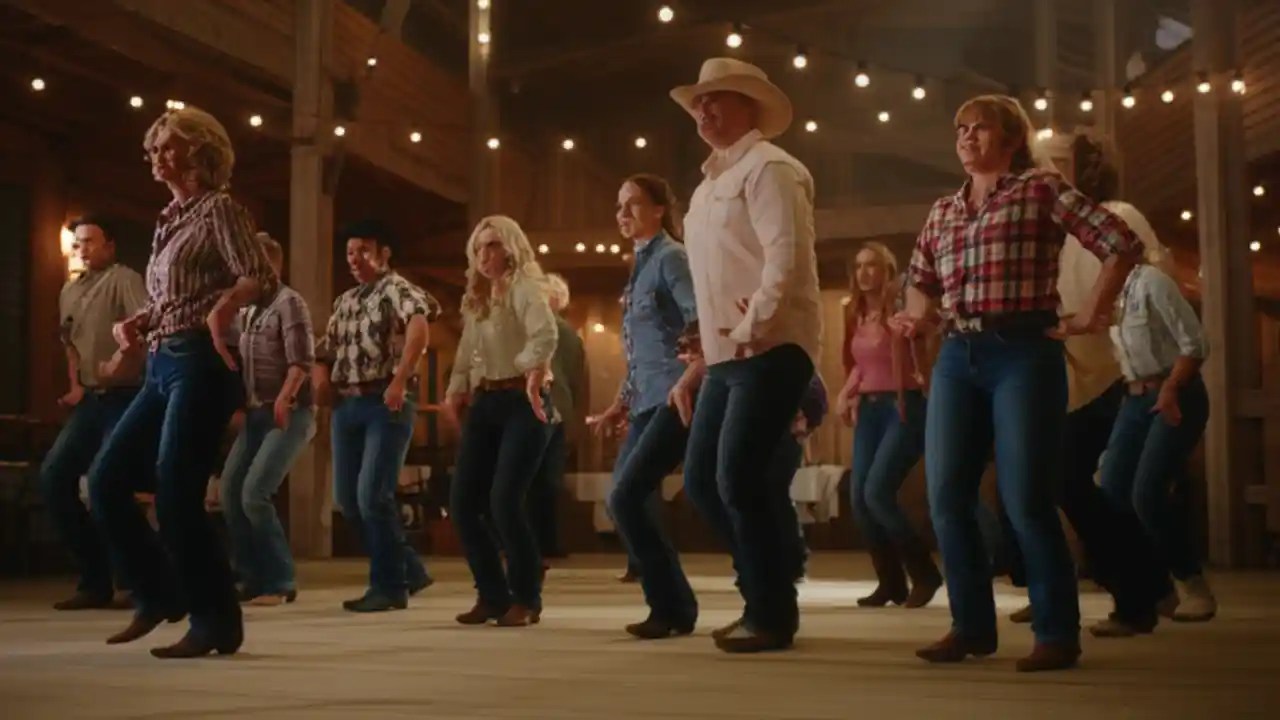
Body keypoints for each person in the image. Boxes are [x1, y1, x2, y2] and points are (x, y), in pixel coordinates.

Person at [894, 94, 1141, 672]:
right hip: (957, 354)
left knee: (1026, 495)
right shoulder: (944, 210)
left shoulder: (1040, 189)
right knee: (947, 496)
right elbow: (921, 278)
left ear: (1011, 138)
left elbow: (1120, 243)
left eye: (980, 128)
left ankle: (1056, 633)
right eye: (961, 128)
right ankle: (971, 627)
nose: (967, 136)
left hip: (1024, 352)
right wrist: (918, 317)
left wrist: (1092, 313)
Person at [89, 105, 277, 658]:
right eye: (152, 146)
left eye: (167, 145)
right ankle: (158, 593)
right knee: (106, 480)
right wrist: (140, 319)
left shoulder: (221, 209)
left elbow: (259, 276)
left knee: (176, 495)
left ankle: (215, 621)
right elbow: (177, 295)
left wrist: (224, 308)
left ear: (200, 150)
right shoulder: (170, 218)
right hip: (161, 361)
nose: (155, 154)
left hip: (201, 361)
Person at [667, 57, 823, 653]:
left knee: (739, 477)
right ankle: (767, 587)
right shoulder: (706, 188)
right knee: (704, 481)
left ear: (749, 105)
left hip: (770, 345)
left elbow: (786, 258)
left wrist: (753, 323)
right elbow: (711, 279)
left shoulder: (772, 168)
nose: (702, 110)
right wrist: (706, 355)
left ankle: (771, 612)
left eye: (715, 99)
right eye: (697, 103)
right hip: (727, 354)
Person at [1000, 133, 1176, 638]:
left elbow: (1149, 285)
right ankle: (1114, 586)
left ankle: (1141, 591)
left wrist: (1103, 322)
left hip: (1115, 372)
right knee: (1054, 484)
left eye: (1059, 161)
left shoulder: (1118, 214)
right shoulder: (1042, 223)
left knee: (1074, 483)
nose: (1047, 168)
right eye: (1042, 160)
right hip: (1062, 373)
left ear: (1087, 168)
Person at [589, 174, 699, 639]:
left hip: (676, 395)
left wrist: (690, 379)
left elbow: (699, 321)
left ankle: (673, 606)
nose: (623, 213)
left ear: (659, 209)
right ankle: (673, 607)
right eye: (619, 206)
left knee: (627, 495)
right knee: (624, 497)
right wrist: (620, 403)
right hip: (645, 400)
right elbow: (641, 352)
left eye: (633, 203)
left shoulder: (671, 257)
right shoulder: (640, 264)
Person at [314, 219, 439, 612]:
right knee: (348, 500)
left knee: (373, 495)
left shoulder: (397, 289)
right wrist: (320, 379)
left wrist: (400, 379)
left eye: (363, 251)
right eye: (350, 253)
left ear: (384, 253)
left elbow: (419, 326)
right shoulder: (345, 300)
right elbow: (325, 348)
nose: (355, 259)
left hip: (384, 401)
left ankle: (388, 587)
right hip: (347, 404)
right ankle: (409, 570)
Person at [1099, 201, 1215, 623]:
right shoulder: (1111, 290)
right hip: (1135, 398)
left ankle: (1192, 584)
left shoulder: (1152, 281)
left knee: (1147, 491)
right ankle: (1154, 586)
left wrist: (1170, 388)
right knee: (1112, 487)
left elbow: (1196, 343)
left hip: (1174, 391)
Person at [444, 215, 558, 628]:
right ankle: (491, 595)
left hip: (524, 401)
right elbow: (466, 349)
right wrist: (456, 388)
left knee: (505, 500)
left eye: (492, 245)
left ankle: (526, 597)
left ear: (511, 248)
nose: (484, 255)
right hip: (486, 399)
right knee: (462, 503)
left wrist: (526, 367)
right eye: (478, 247)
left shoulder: (525, 288)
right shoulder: (478, 296)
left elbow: (545, 336)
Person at [42, 215, 147, 611]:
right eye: (77, 243)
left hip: (126, 396)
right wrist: (76, 385)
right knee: (54, 478)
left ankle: (138, 580)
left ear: (110, 245)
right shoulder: (69, 290)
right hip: (92, 400)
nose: (82, 249)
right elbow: (69, 343)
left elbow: (143, 332)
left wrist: (120, 368)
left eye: (90, 241)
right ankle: (94, 580)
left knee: (108, 481)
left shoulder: (125, 280)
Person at [836, 242, 941, 609]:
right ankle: (890, 582)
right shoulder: (854, 313)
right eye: (859, 265)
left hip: (903, 405)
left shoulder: (901, 308)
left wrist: (915, 328)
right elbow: (859, 364)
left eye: (872, 265)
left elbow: (930, 331)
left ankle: (925, 573)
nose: (864, 272)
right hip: (869, 408)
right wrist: (846, 393)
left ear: (887, 270)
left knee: (878, 492)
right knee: (859, 499)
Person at [219, 232, 316, 607]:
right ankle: (250, 576)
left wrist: (286, 397)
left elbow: (301, 360)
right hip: (256, 411)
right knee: (230, 492)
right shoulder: (247, 310)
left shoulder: (289, 303)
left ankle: (280, 580)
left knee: (255, 492)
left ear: (271, 266)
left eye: (250, 265)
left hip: (289, 410)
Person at [528, 273, 584, 561]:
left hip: (536, 406)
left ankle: (531, 542)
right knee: (550, 478)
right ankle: (548, 541)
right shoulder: (572, 335)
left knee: (529, 477)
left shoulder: (538, 328)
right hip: (561, 410)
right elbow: (577, 380)